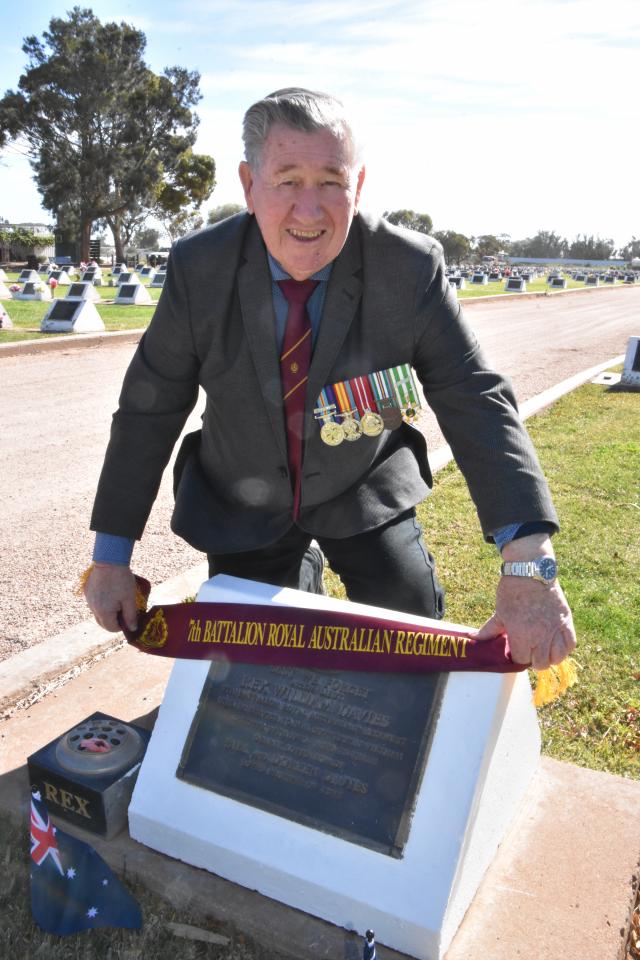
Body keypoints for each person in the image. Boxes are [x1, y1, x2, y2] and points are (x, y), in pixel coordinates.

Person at [84, 87, 576, 670]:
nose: (309, 210)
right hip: (242, 494)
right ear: (248, 184)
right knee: (255, 672)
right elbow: (150, 407)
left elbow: (473, 394)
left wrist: (528, 559)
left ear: (359, 185)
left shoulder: (409, 267)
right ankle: (297, 573)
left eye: (331, 182)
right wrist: (112, 556)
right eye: (287, 180)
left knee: (414, 640)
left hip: (362, 484)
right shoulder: (201, 267)